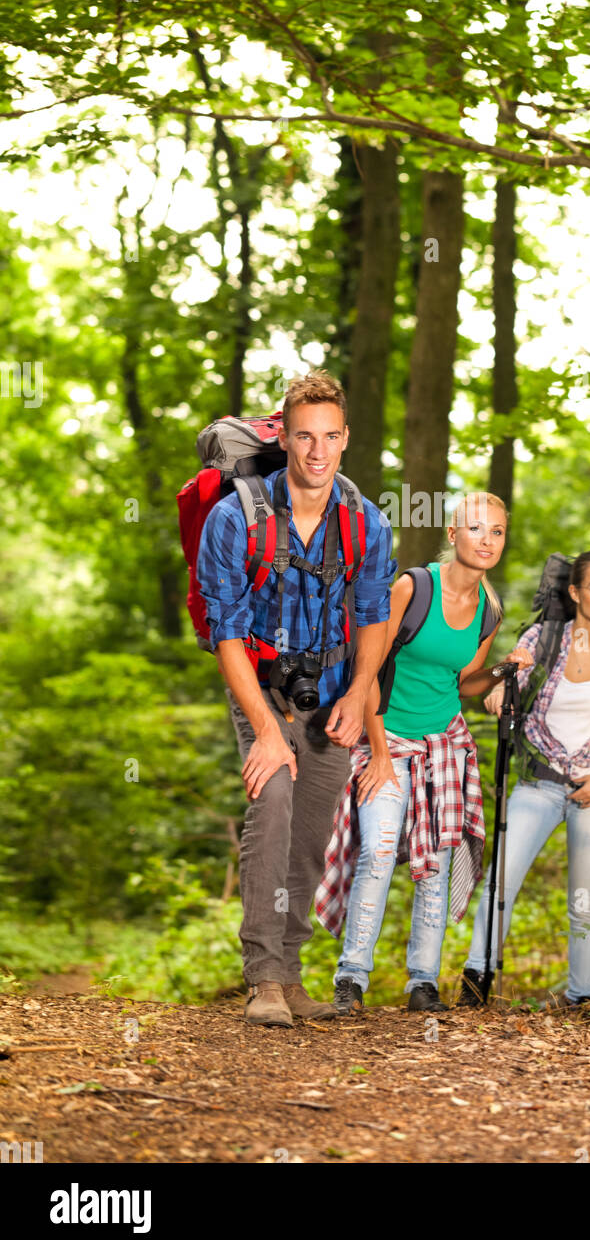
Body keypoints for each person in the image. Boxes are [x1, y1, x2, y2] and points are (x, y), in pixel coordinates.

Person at [197, 371, 395, 1027]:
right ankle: (263, 980)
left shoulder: (366, 523)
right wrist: (267, 727)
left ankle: (293, 968)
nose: (317, 451)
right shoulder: (235, 518)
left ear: (346, 439)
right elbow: (225, 633)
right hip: (260, 684)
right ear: (282, 436)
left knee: (313, 833)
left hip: (336, 689)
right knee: (274, 798)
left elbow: (372, 617)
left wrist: (361, 691)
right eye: (303, 436)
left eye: (330, 437)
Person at [316, 493, 533, 1013]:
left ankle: (423, 983)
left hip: (443, 745)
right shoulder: (413, 588)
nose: (488, 540)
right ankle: (351, 980)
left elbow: (462, 683)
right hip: (385, 735)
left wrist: (506, 669)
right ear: (453, 534)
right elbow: (368, 666)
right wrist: (380, 753)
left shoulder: (490, 610)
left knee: (434, 862)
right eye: (477, 528)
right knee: (380, 851)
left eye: (498, 532)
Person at [458, 550, 590, 1010]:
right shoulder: (543, 640)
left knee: (586, 900)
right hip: (538, 784)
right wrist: (504, 685)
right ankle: (474, 987)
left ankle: (580, 997)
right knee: (500, 883)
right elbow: (506, 682)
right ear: (574, 592)